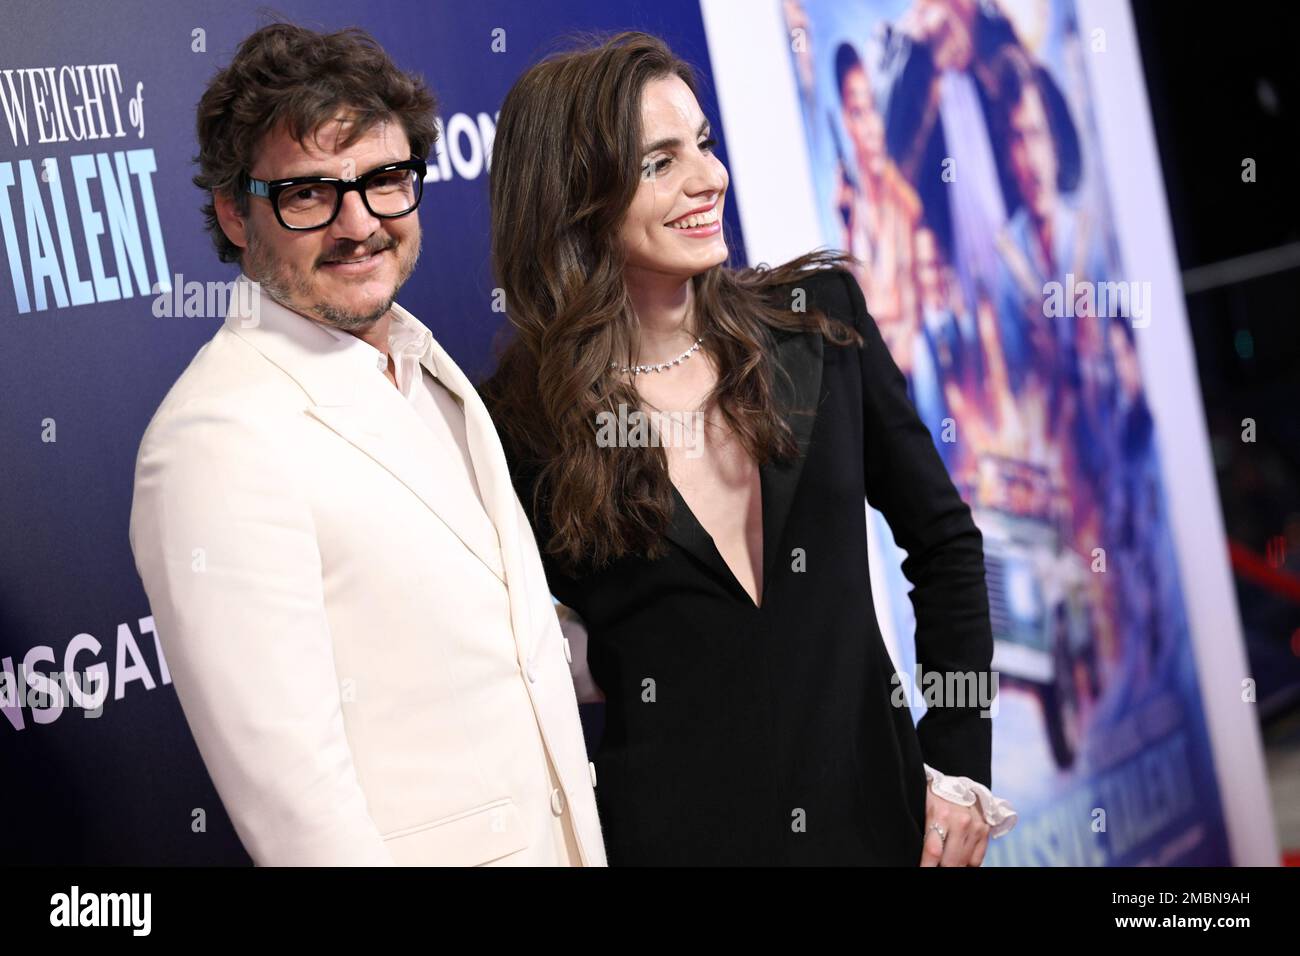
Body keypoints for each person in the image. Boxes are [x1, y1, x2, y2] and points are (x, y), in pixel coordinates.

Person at [482, 32, 1016, 866]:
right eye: (659, 163)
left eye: (702, 143)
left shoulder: (817, 325)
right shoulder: (521, 424)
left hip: (886, 832)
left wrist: (957, 763)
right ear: (576, 199)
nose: (708, 179)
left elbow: (946, 546)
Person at [128, 23, 604, 866]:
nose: (360, 224)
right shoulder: (215, 440)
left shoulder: (430, 367)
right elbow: (301, 814)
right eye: (309, 194)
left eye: (384, 180)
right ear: (237, 213)